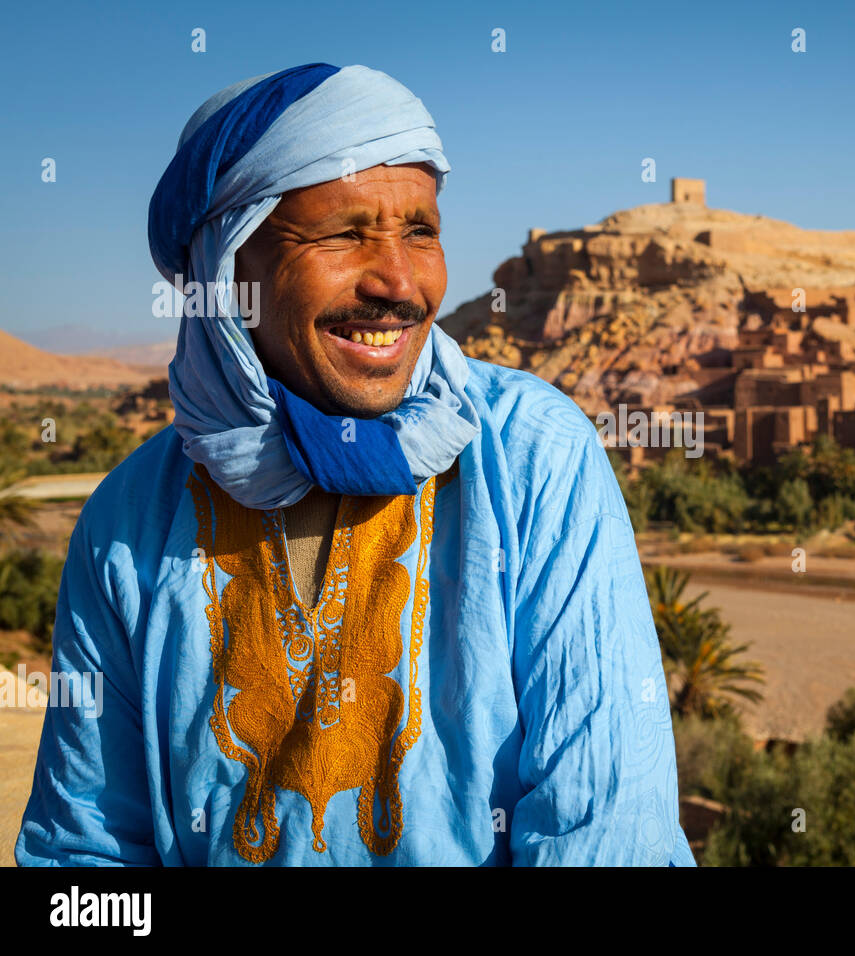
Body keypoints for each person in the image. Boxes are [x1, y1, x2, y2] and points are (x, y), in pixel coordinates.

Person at [15, 63, 694, 866]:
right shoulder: (127, 521)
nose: (400, 283)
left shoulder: (533, 455)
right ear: (228, 268)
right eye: (343, 234)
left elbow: (608, 837)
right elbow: (86, 853)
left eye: (420, 230)